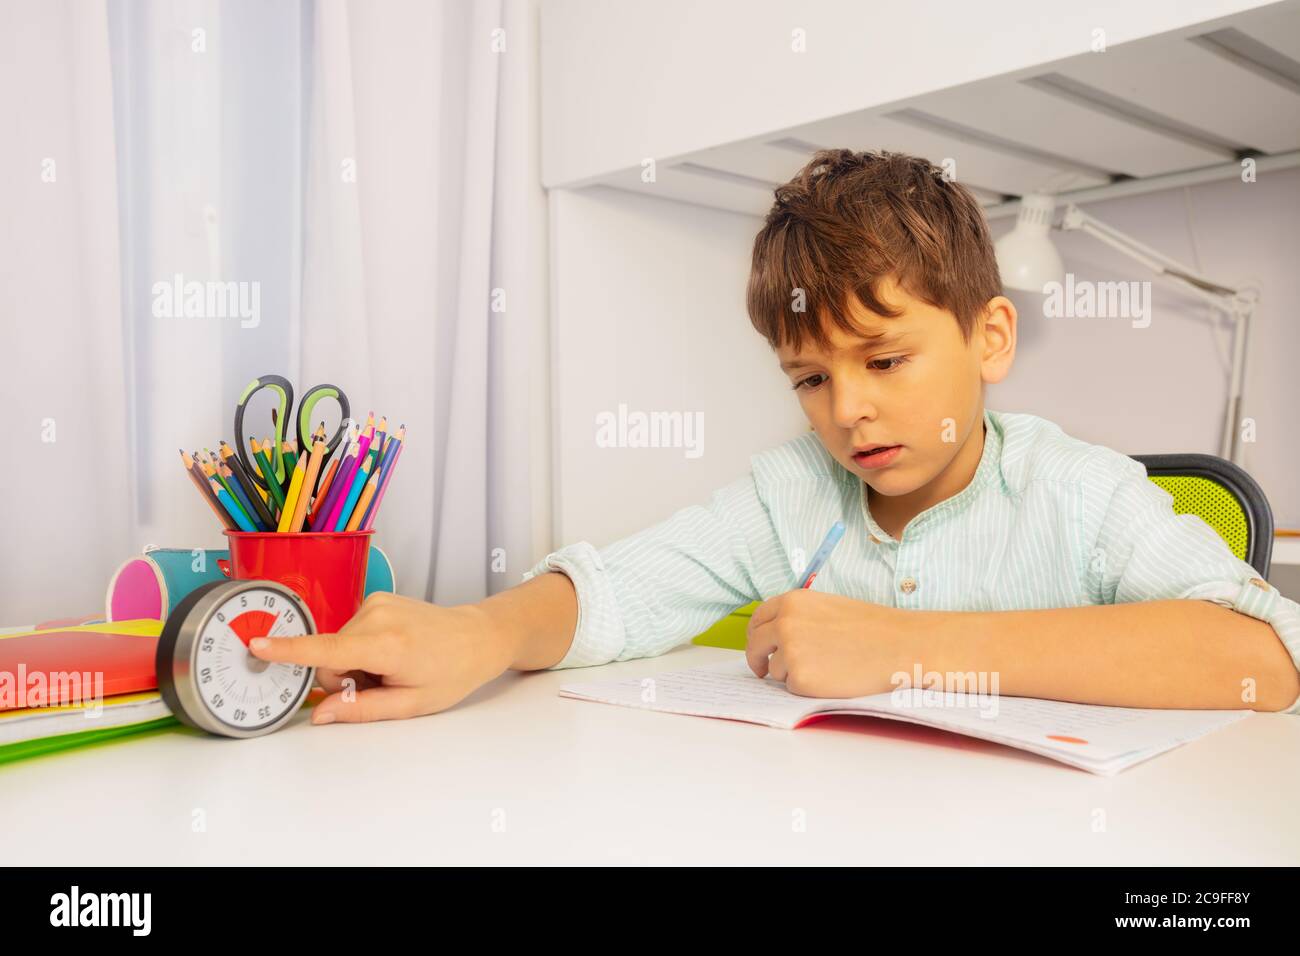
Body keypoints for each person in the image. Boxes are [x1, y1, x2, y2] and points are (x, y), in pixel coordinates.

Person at [251, 149, 1300, 722]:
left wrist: (899, 650)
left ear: (989, 337)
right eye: (809, 377)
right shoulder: (790, 493)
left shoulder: (1083, 492)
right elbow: (618, 589)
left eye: (884, 362)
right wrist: (478, 633)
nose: (845, 410)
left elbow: (1262, 654)